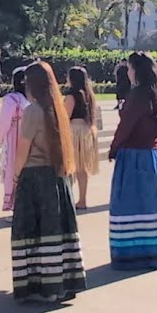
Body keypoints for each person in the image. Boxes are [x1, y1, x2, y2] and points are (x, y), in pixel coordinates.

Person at [12, 62, 88, 302]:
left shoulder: (33, 111)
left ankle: (41, 286)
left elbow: (23, 148)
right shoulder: (58, 109)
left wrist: (15, 175)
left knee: (34, 232)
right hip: (58, 177)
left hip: (35, 177)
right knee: (56, 231)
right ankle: (61, 283)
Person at [108, 52, 157, 270]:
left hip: (135, 154)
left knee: (129, 205)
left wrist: (113, 148)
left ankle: (132, 255)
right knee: (150, 204)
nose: (128, 73)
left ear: (136, 71)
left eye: (130, 69)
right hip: (154, 153)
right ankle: (154, 252)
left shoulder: (137, 95)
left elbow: (126, 125)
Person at [64, 66, 100, 210]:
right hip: (86, 131)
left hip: (74, 131)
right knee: (82, 169)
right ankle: (82, 199)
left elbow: (65, 116)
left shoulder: (71, 95)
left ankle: (68, 199)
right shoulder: (89, 94)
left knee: (71, 167)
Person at [0, 67, 32, 213]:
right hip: (31, 139)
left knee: (13, 170)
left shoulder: (11, 99)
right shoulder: (33, 99)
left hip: (14, 139)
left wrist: (1, 137)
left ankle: (17, 206)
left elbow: (3, 123)